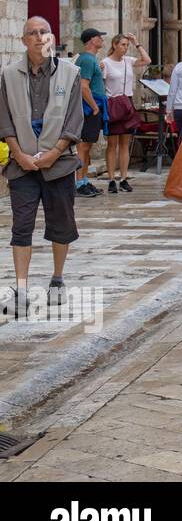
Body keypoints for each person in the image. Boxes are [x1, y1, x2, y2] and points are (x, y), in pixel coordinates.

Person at [0, 17, 84, 316]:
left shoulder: (70, 74)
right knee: (21, 226)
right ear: (24, 40)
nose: (38, 37)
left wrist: (55, 151)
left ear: (51, 38)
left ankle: (57, 280)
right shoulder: (8, 75)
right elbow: (5, 117)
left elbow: (75, 118)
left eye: (43, 32)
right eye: (32, 33)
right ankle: (21, 289)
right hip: (21, 164)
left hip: (59, 164)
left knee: (61, 224)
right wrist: (18, 153)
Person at [100, 33, 151, 194]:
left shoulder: (128, 61)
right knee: (112, 143)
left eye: (126, 45)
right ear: (114, 45)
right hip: (113, 103)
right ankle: (111, 179)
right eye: (123, 44)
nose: (125, 48)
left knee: (125, 143)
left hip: (127, 102)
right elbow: (101, 84)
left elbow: (147, 60)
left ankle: (123, 177)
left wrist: (137, 43)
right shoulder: (105, 63)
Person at [74, 28, 107, 197]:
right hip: (89, 108)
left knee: (87, 146)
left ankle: (84, 180)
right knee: (83, 146)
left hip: (94, 106)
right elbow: (83, 86)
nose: (102, 39)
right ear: (92, 40)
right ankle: (78, 183)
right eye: (100, 36)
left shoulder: (91, 59)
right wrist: (94, 106)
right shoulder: (86, 59)